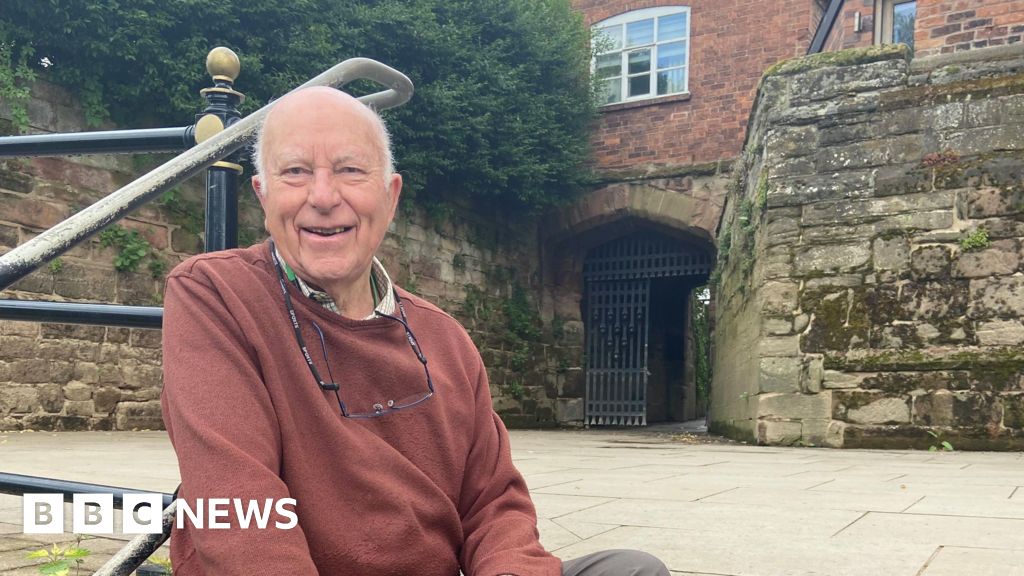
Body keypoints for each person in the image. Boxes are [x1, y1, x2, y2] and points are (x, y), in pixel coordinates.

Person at [160, 86, 669, 576]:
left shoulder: (443, 338)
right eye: (294, 172)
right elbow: (235, 503)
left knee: (633, 570)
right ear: (263, 197)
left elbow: (494, 504)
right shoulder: (216, 295)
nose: (322, 196)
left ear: (391, 195)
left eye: (350, 170)